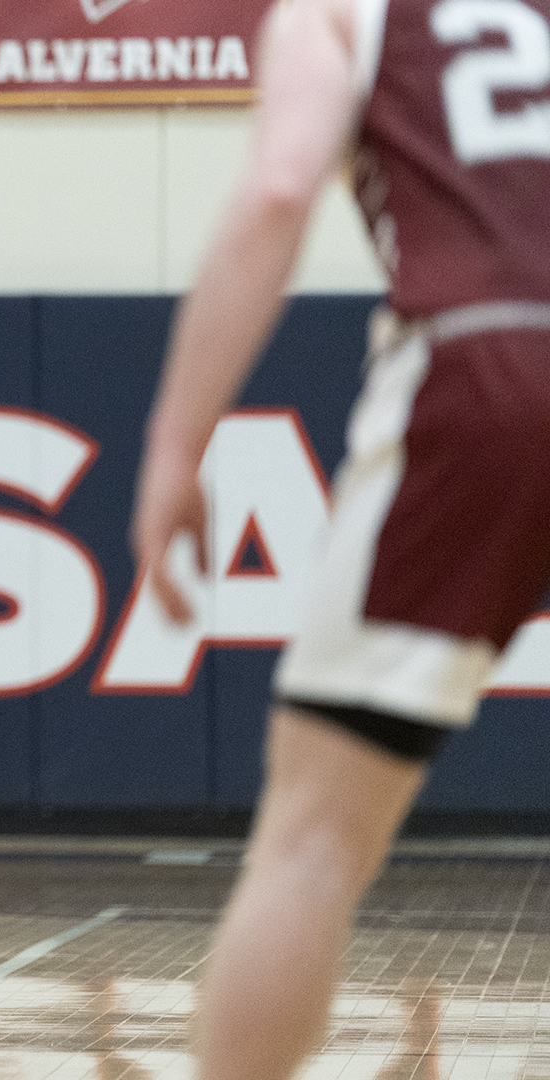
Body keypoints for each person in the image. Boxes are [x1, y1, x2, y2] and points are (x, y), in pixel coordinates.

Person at [129, 0, 550, 1076]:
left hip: (490, 373)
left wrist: (179, 444)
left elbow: (278, 189)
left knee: (313, 841)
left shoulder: (338, 9)